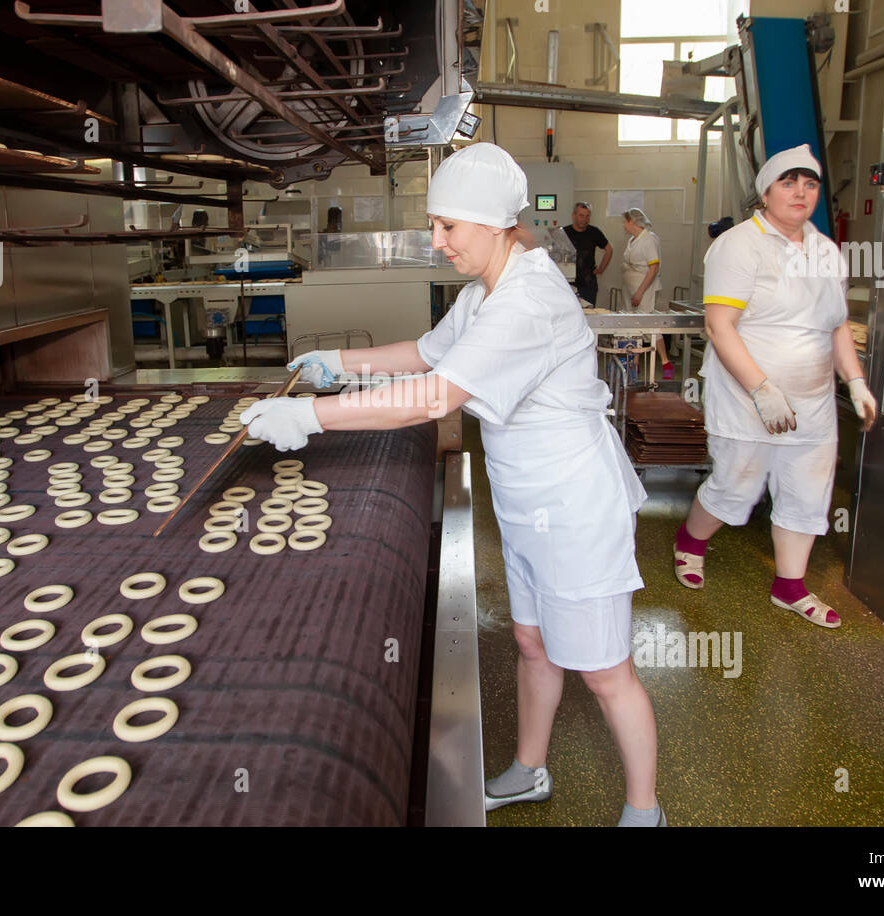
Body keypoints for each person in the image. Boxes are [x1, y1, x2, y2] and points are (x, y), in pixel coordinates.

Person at [240, 142, 664, 826]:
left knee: (605, 671)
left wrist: (312, 416)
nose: (437, 242)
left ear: (495, 225)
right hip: (525, 502)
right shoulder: (483, 293)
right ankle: (529, 771)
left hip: (575, 507)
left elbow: (437, 395)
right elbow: (425, 352)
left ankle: (645, 811)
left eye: (447, 227)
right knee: (532, 643)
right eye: (434, 225)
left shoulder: (528, 299)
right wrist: (337, 361)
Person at [673, 144, 877, 628]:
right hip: (747, 398)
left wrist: (855, 381)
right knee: (735, 486)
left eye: (810, 184)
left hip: (813, 401)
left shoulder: (826, 251)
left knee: (808, 492)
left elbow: (836, 326)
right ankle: (690, 541)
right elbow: (719, 326)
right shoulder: (740, 245)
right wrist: (762, 390)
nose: (800, 192)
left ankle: (790, 587)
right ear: (765, 193)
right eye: (788, 183)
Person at [620, 207, 673, 378]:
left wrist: (640, 292)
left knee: (649, 325)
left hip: (643, 288)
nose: (623, 225)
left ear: (632, 221)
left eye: (625, 221)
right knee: (634, 325)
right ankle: (635, 363)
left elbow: (653, 267)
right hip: (631, 288)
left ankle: (665, 362)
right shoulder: (632, 240)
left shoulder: (649, 239)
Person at [563, 201, 612, 308]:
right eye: (581, 215)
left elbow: (609, 250)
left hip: (588, 284)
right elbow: (554, 255)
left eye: (587, 216)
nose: (584, 219)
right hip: (568, 284)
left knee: (588, 313)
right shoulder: (564, 232)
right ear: (574, 215)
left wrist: (601, 269)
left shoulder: (594, 232)